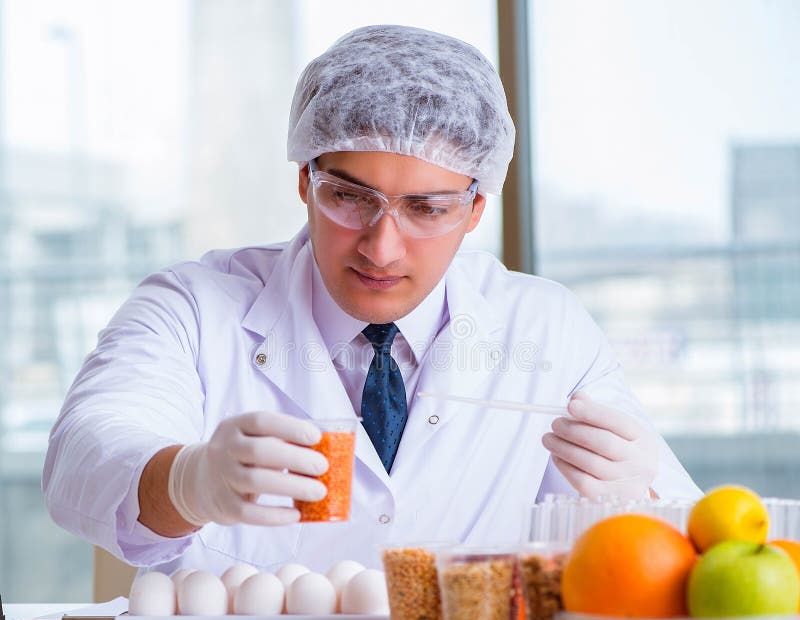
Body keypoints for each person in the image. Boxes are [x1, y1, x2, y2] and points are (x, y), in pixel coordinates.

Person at [43, 25, 700, 576]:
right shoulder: (191, 307)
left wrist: (639, 497)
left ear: (475, 209)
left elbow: (683, 552)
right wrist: (192, 479)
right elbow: (85, 452)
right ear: (305, 180)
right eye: (350, 197)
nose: (382, 247)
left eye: (426, 207)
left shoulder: (546, 330)